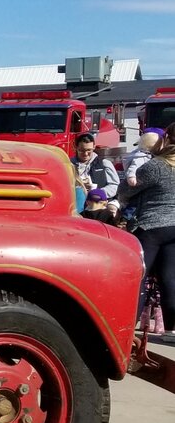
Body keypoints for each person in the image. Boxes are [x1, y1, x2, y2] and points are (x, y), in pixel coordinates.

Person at [113, 131, 175, 337]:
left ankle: (129, 326)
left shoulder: (156, 166)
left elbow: (125, 190)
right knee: (169, 278)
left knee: (139, 276)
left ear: (166, 139)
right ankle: (171, 329)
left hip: (151, 226)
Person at [71, 132, 120, 198]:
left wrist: (97, 193)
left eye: (89, 150)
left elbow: (114, 185)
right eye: (82, 150)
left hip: (98, 204)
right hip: (75, 202)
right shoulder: (68, 165)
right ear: (75, 147)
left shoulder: (104, 164)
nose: (85, 154)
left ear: (94, 147)